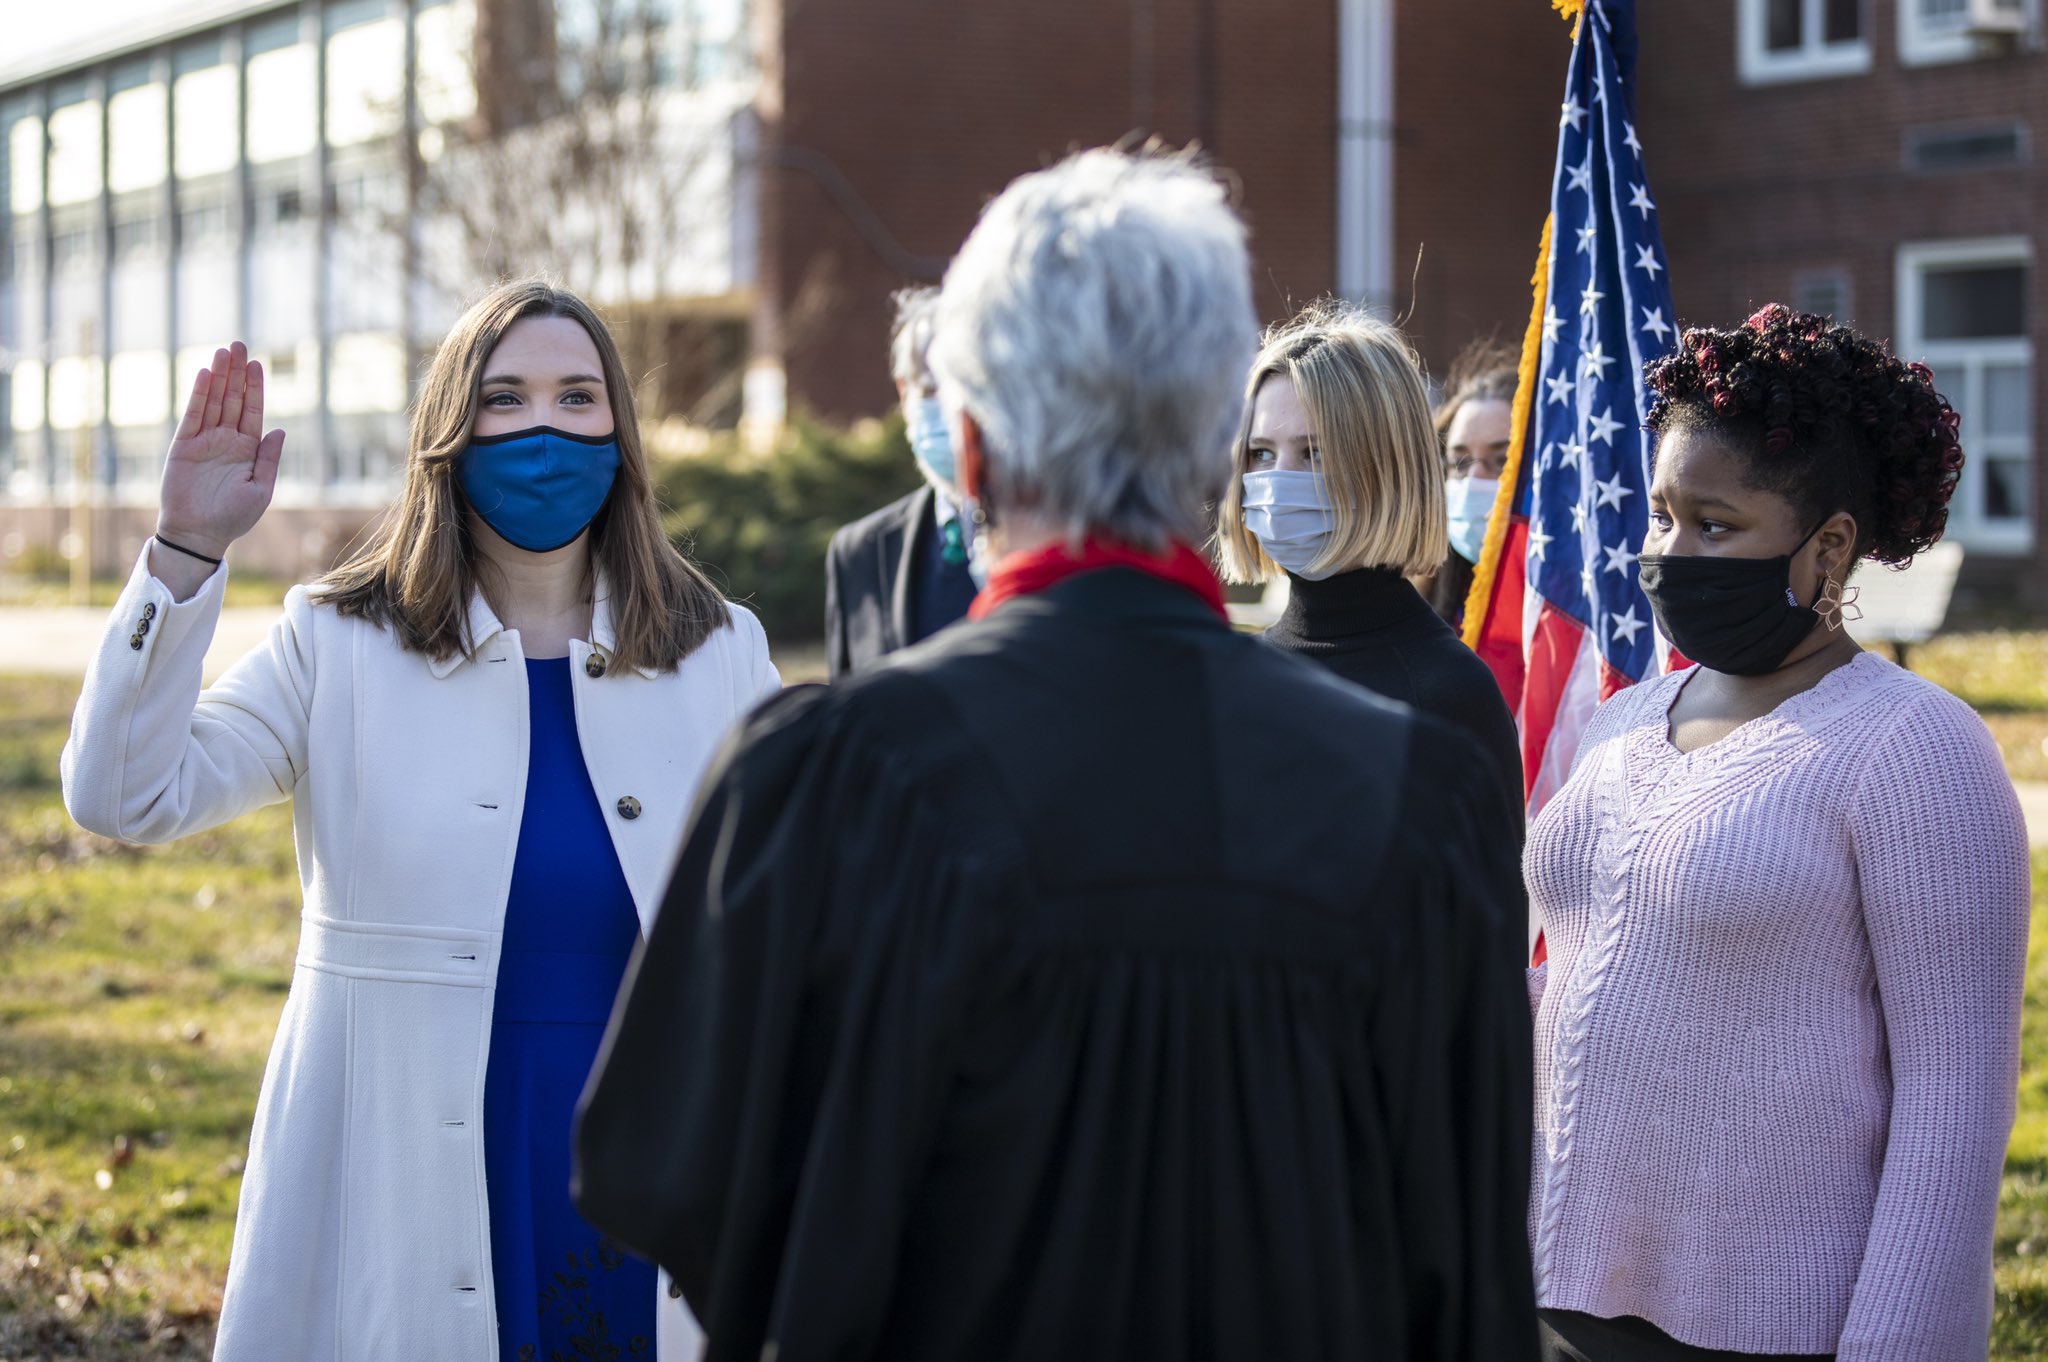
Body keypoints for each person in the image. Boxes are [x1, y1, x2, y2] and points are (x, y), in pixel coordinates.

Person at [575, 147, 1539, 1362]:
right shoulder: (1414, 790)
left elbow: (669, 1184)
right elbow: (1464, 1259)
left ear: (968, 452)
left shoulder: (825, 779)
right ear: (1210, 460)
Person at [60, 279, 779, 1362]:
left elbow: (801, 907)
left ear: (620, 436)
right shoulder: (338, 641)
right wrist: (183, 555)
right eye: (505, 400)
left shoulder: (717, 649)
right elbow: (123, 793)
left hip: (655, 1151)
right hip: (409, 1154)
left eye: (579, 398)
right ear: (449, 432)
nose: (545, 428)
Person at [1525, 305, 2029, 1362]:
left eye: (1713, 526)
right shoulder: (1624, 719)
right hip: (1552, 1302)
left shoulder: (1914, 749)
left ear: (1829, 544)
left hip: (1769, 1331)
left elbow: (1950, 1108)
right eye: (1661, 517)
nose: (1671, 552)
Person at [1214, 304, 1525, 828]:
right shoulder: (1234, 673)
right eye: (1262, 454)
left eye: (1313, 453)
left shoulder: (1450, 693)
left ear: (1385, 467)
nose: (1278, 479)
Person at [822, 286, 982, 680]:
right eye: (931, 389)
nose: (950, 406)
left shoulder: (1064, 534)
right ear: (903, 390)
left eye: (962, 384)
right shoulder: (859, 555)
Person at [1420, 342, 1518, 626]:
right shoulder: (1423, 616)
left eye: (1501, 460)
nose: (1473, 480)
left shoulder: (1568, 616)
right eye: (1460, 463)